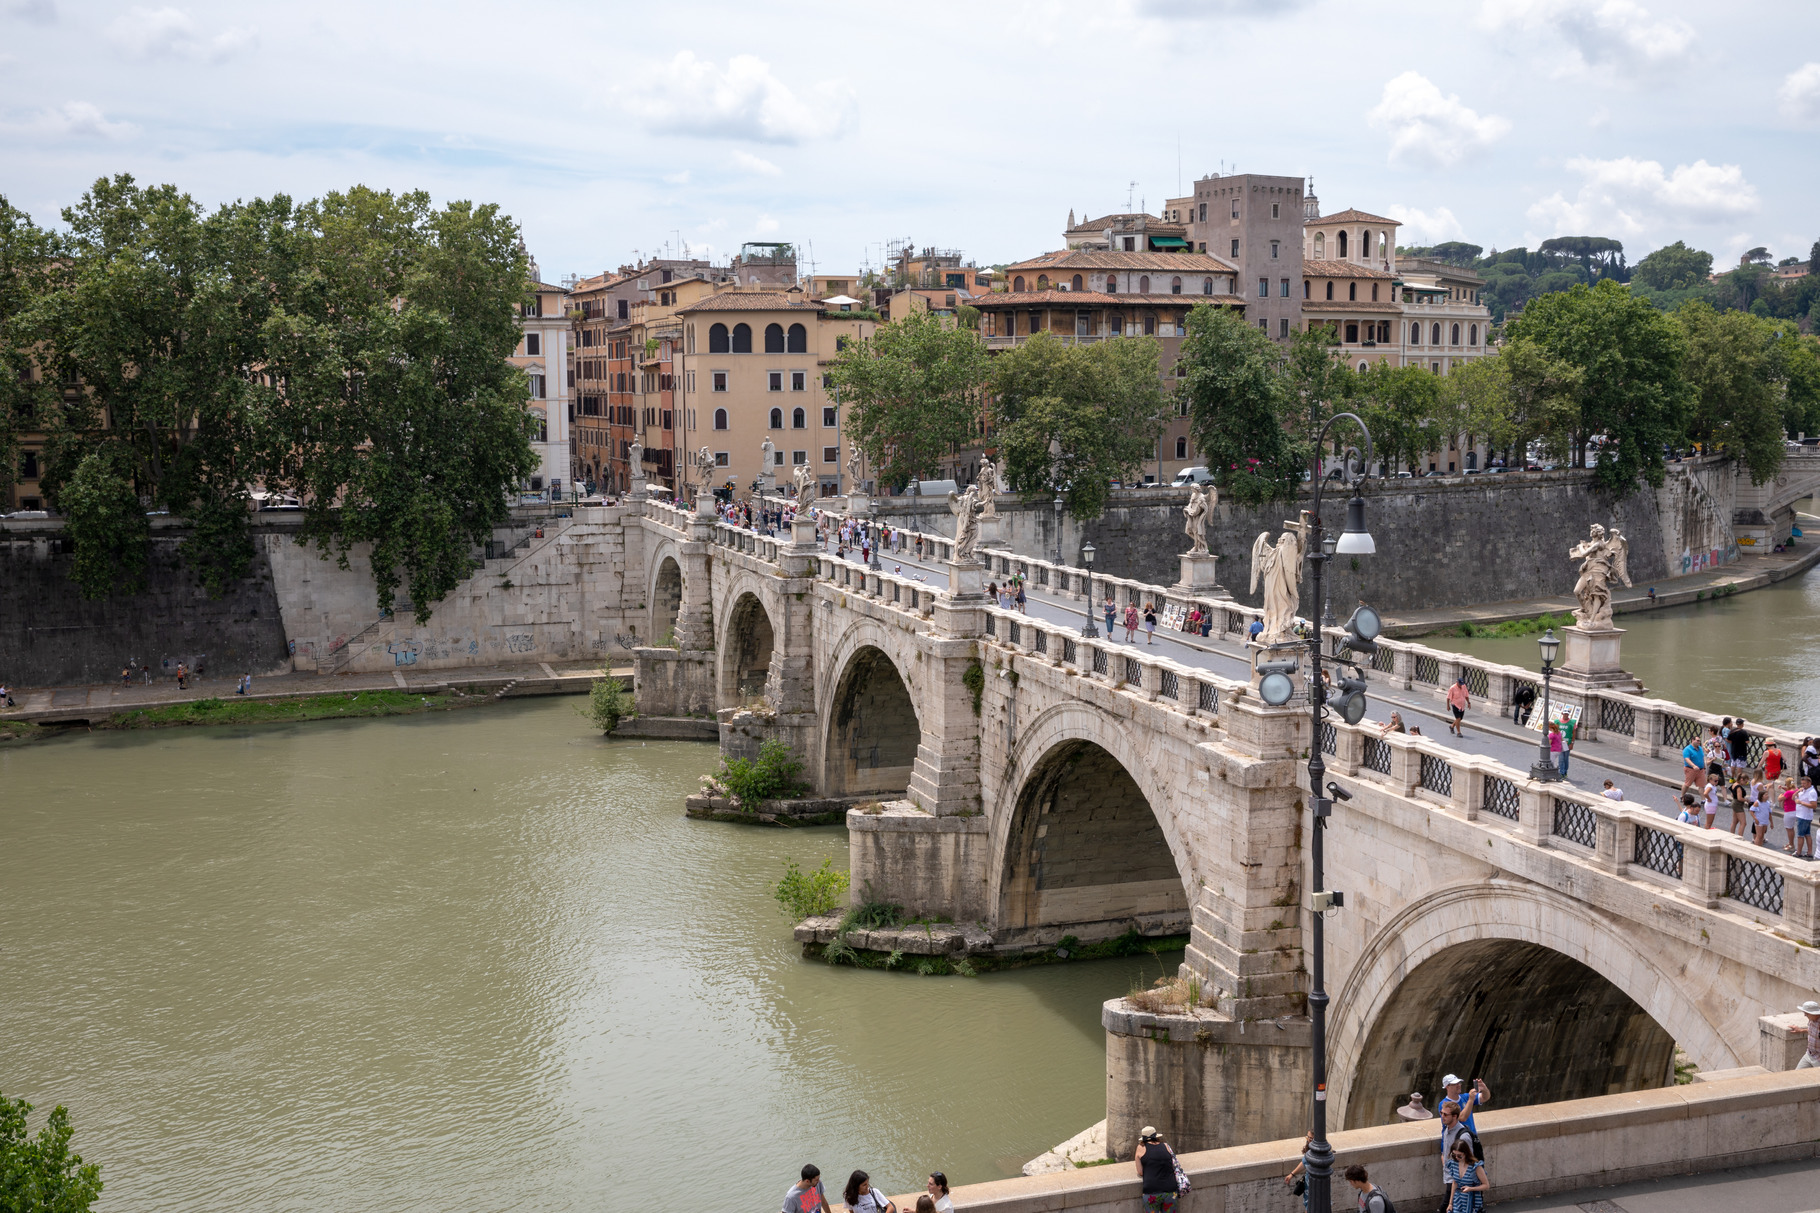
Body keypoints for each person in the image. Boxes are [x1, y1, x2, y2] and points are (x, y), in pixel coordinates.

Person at [1133, 1126, 1182, 1212]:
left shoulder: (1140, 1148)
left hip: (1151, 1191)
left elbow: (1140, 1172)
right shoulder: (1166, 1146)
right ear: (1156, 1136)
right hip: (1170, 1190)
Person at [1445, 1137, 1489, 1213]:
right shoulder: (1453, 1164)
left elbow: (1486, 1185)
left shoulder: (1475, 1166)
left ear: (1465, 1153)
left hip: (1472, 1201)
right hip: (1458, 1200)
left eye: (1459, 1155)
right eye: (1454, 1155)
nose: (1456, 1157)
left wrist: (1471, 1188)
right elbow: (1455, 1183)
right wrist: (1450, 1203)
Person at [1797, 777, 1818, 859]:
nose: (1802, 785)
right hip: (1802, 815)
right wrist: (1798, 792)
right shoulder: (1804, 790)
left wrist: (1801, 802)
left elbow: (1814, 805)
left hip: (1804, 816)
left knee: (1800, 835)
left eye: (1804, 783)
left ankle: (1798, 852)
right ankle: (1809, 852)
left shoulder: (1812, 792)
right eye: (1802, 783)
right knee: (1807, 834)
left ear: (1809, 783)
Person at [1799, 1001, 1820, 1069]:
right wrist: (1801, 1030)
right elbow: (1812, 1031)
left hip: (1818, 1059)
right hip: (1809, 1054)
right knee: (1796, 1075)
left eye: (1807, 1013)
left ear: (1814, 1013)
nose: (1805, 1015)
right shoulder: (1811, 1019)